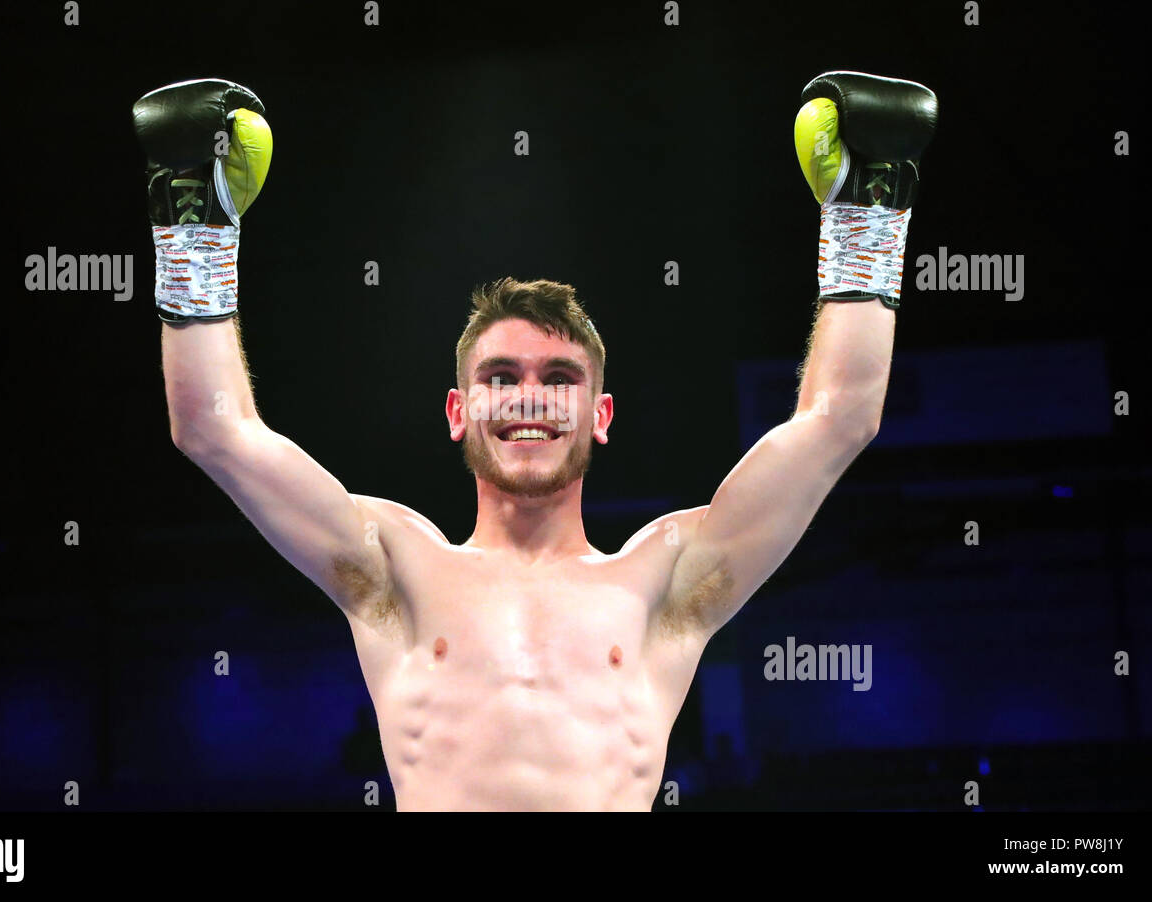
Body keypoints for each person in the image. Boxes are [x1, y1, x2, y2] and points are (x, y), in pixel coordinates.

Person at [132, 72, 937, 810]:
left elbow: (839, 421)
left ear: (600, 414)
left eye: (559, 376)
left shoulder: (665, 581)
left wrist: (867, 213)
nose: (530, 398)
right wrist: (191, 225)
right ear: (458, 410)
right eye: (502, 375)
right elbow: (214, 429)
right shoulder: (394, 570)